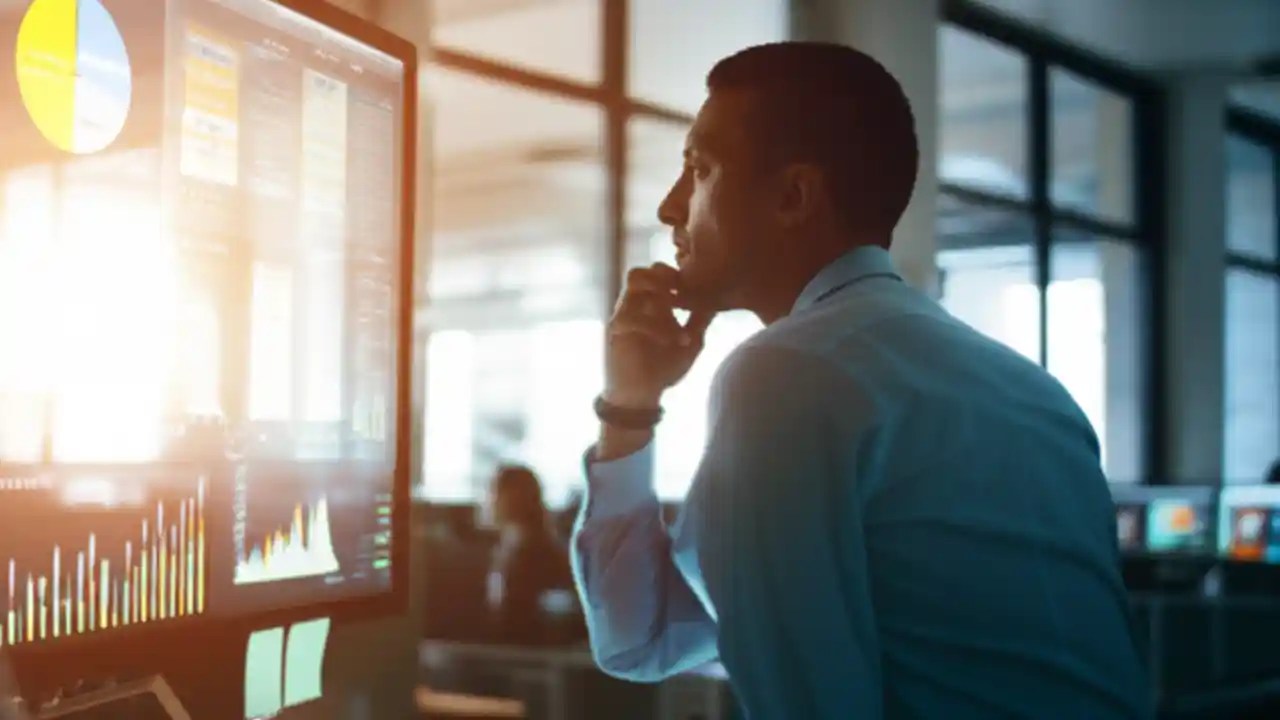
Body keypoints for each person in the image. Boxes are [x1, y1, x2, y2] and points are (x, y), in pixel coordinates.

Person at [569, 42, 1151, 719]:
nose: (673, 208)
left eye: (698, 170)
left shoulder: (789, 375)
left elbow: (803, 704)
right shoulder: (1032, 391)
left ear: (793, 196)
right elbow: (646, 636)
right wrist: (631, 410)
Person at [485, 464, 574, 645]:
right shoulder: (507, 547)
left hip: (529, 653)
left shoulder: (540, 553)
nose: (490, 500)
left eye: (496, 493)